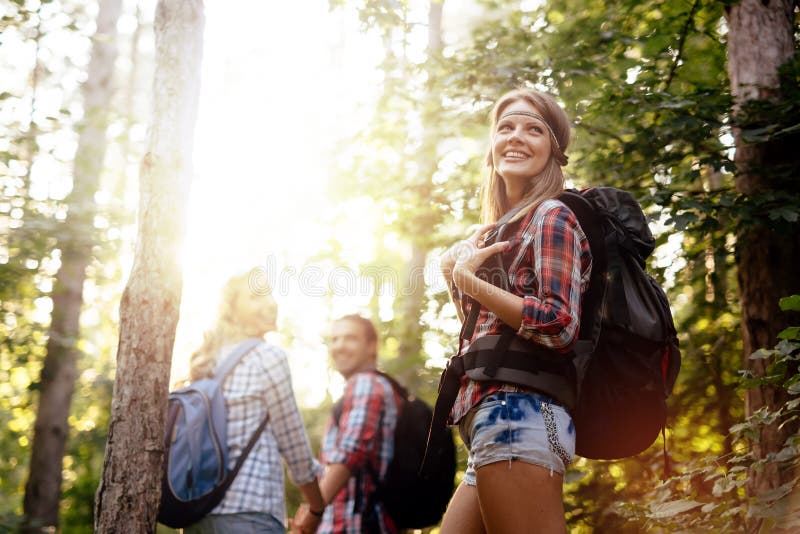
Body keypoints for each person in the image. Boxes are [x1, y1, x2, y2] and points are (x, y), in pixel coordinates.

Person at [438, 87, 592, 534]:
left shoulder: (552, 216)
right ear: (492, 145)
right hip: (492, 420)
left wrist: (468, 280)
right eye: (505, 127)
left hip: (519, 415)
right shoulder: (497, 232)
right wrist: (457, 276)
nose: (516, 137)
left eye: (534, 129)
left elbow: (558, 325)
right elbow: (490, 334)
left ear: (553, 150)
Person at [185, 270, 325, 534]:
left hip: (197, 515)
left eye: (270, 295)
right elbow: (293, 443)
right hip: (249, 513)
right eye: (256, 296)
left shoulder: (206, 360)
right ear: (232, 309)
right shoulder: (267, 357)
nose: (270, 303)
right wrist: (317, 507)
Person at [292, 314, 399, 534]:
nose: (339, 346)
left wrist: (311, 516)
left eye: (350, 338)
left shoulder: (366, 384)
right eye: (335, 339)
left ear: (372, 346)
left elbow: (351, 452)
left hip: (356, 525)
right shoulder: (368, 387)